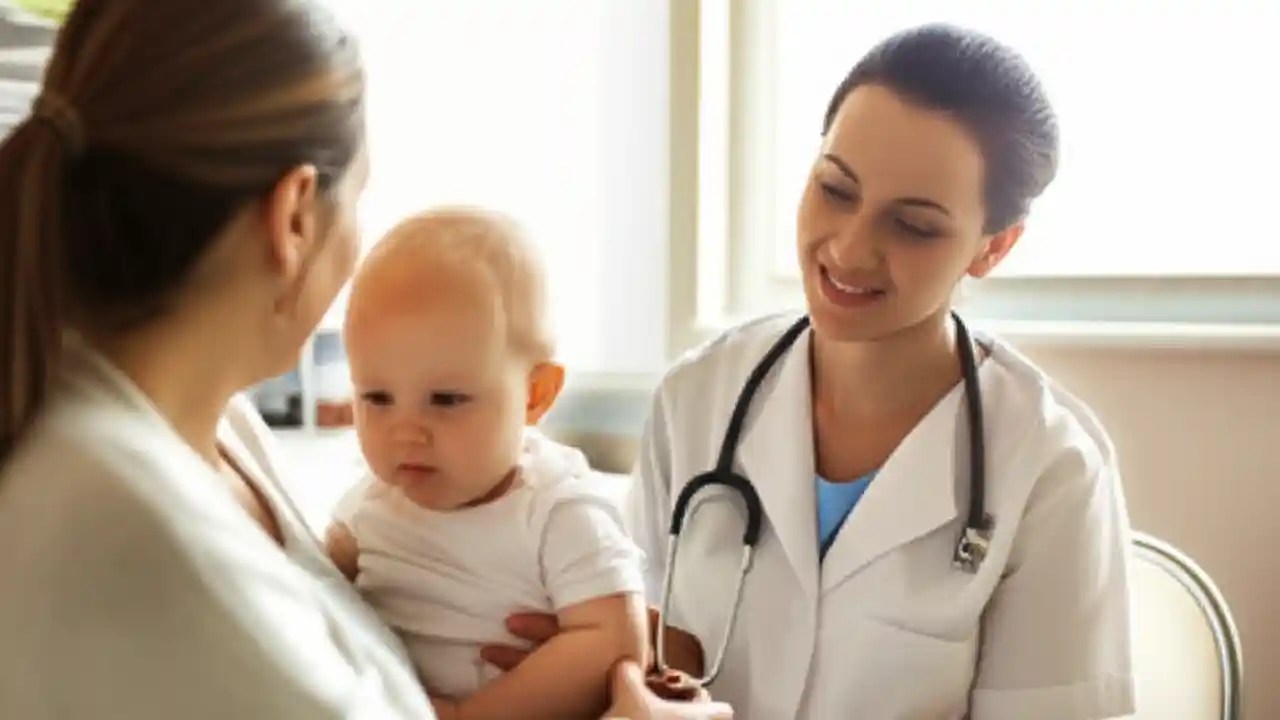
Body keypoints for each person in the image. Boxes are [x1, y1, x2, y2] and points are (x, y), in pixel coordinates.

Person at [0, 1, 731, 718]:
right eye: (359, 201)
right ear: (294, 215)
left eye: (447, 398)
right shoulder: (131, 535)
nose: (405, 425)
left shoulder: (219, 427)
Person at [489, 23, 1135, 720]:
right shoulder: (699, 396)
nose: (851, 250)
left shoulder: (1051, 468)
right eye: (835, 189)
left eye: (913, 226)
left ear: (993, 248)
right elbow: (636, 658)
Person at [325, 208, 649, 720]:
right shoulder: (368, 506)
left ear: (534, 395)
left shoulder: (556, 510)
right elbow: (306, 601)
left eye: (447, 400)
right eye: (377, 397)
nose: (405, 432)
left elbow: (615, 641)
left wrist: (467, 716)